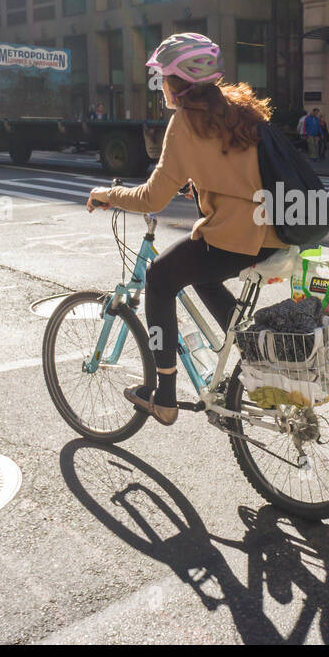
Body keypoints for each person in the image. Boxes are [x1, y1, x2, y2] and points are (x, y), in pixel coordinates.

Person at [86, 32, 284, 426]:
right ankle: (252, 351)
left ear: (177, 82)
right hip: (273, 233)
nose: (161, 86)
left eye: (162, 78)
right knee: (203, 277)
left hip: (234, 239)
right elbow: (241, 167)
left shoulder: (184, 124)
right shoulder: (240, 107)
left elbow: (150, 200)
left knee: (160, 278)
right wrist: (206, 181)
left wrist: (108, 193)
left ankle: (164, 396)